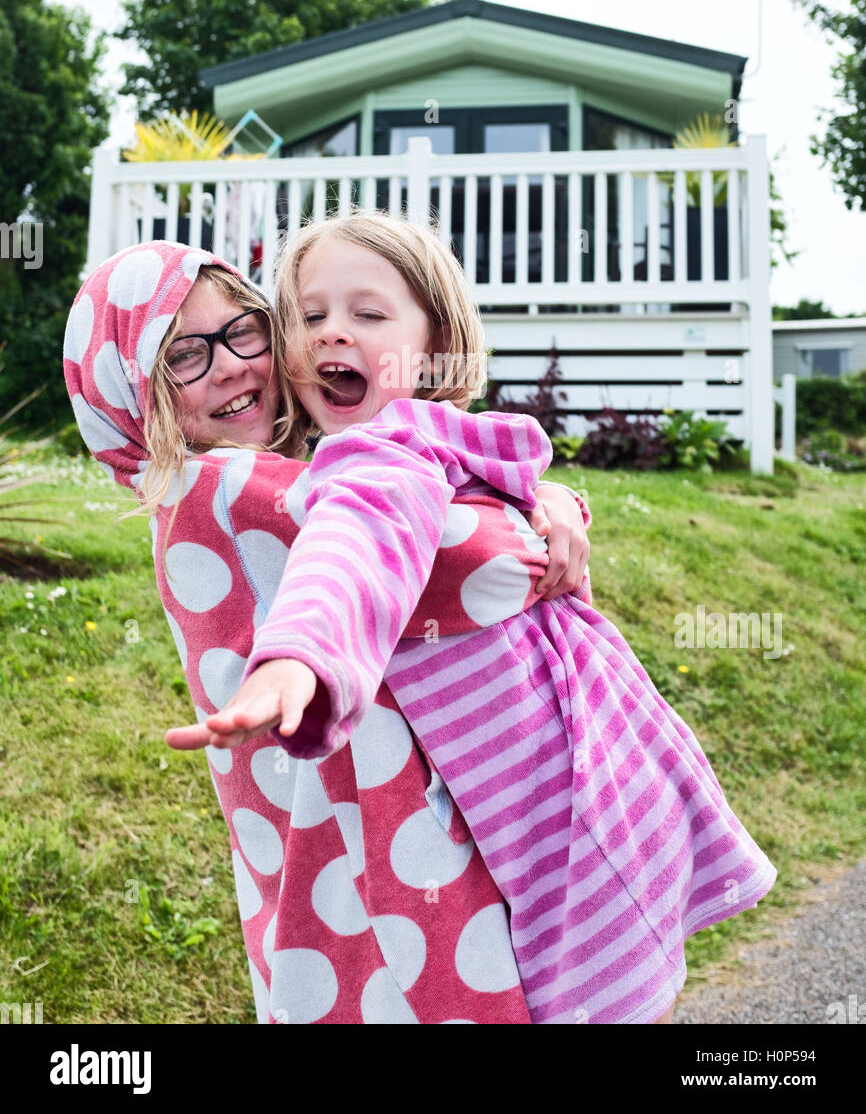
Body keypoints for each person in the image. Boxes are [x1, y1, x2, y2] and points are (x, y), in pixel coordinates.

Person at [177, 210, 778, 1026]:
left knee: (621, 984)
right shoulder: (365, 461)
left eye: (368, 313)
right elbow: (354, 543)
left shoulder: (430, 438)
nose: (331, 333)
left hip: (592, 768)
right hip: (539, 798)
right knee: (604, 989)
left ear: (434, 346)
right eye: (309, 316)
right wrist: (301, 653)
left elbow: (497, 504)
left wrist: (556, 502)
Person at [63, 239, 592, 1025]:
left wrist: (547, 496)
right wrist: (540, 508)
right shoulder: (219, 491)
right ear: (127, 393)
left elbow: (400, 499)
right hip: (364, 859)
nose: (231, 366)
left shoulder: (265, 474)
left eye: (243, 331)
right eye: (183, 356)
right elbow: (473, 560)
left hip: (342, 849)